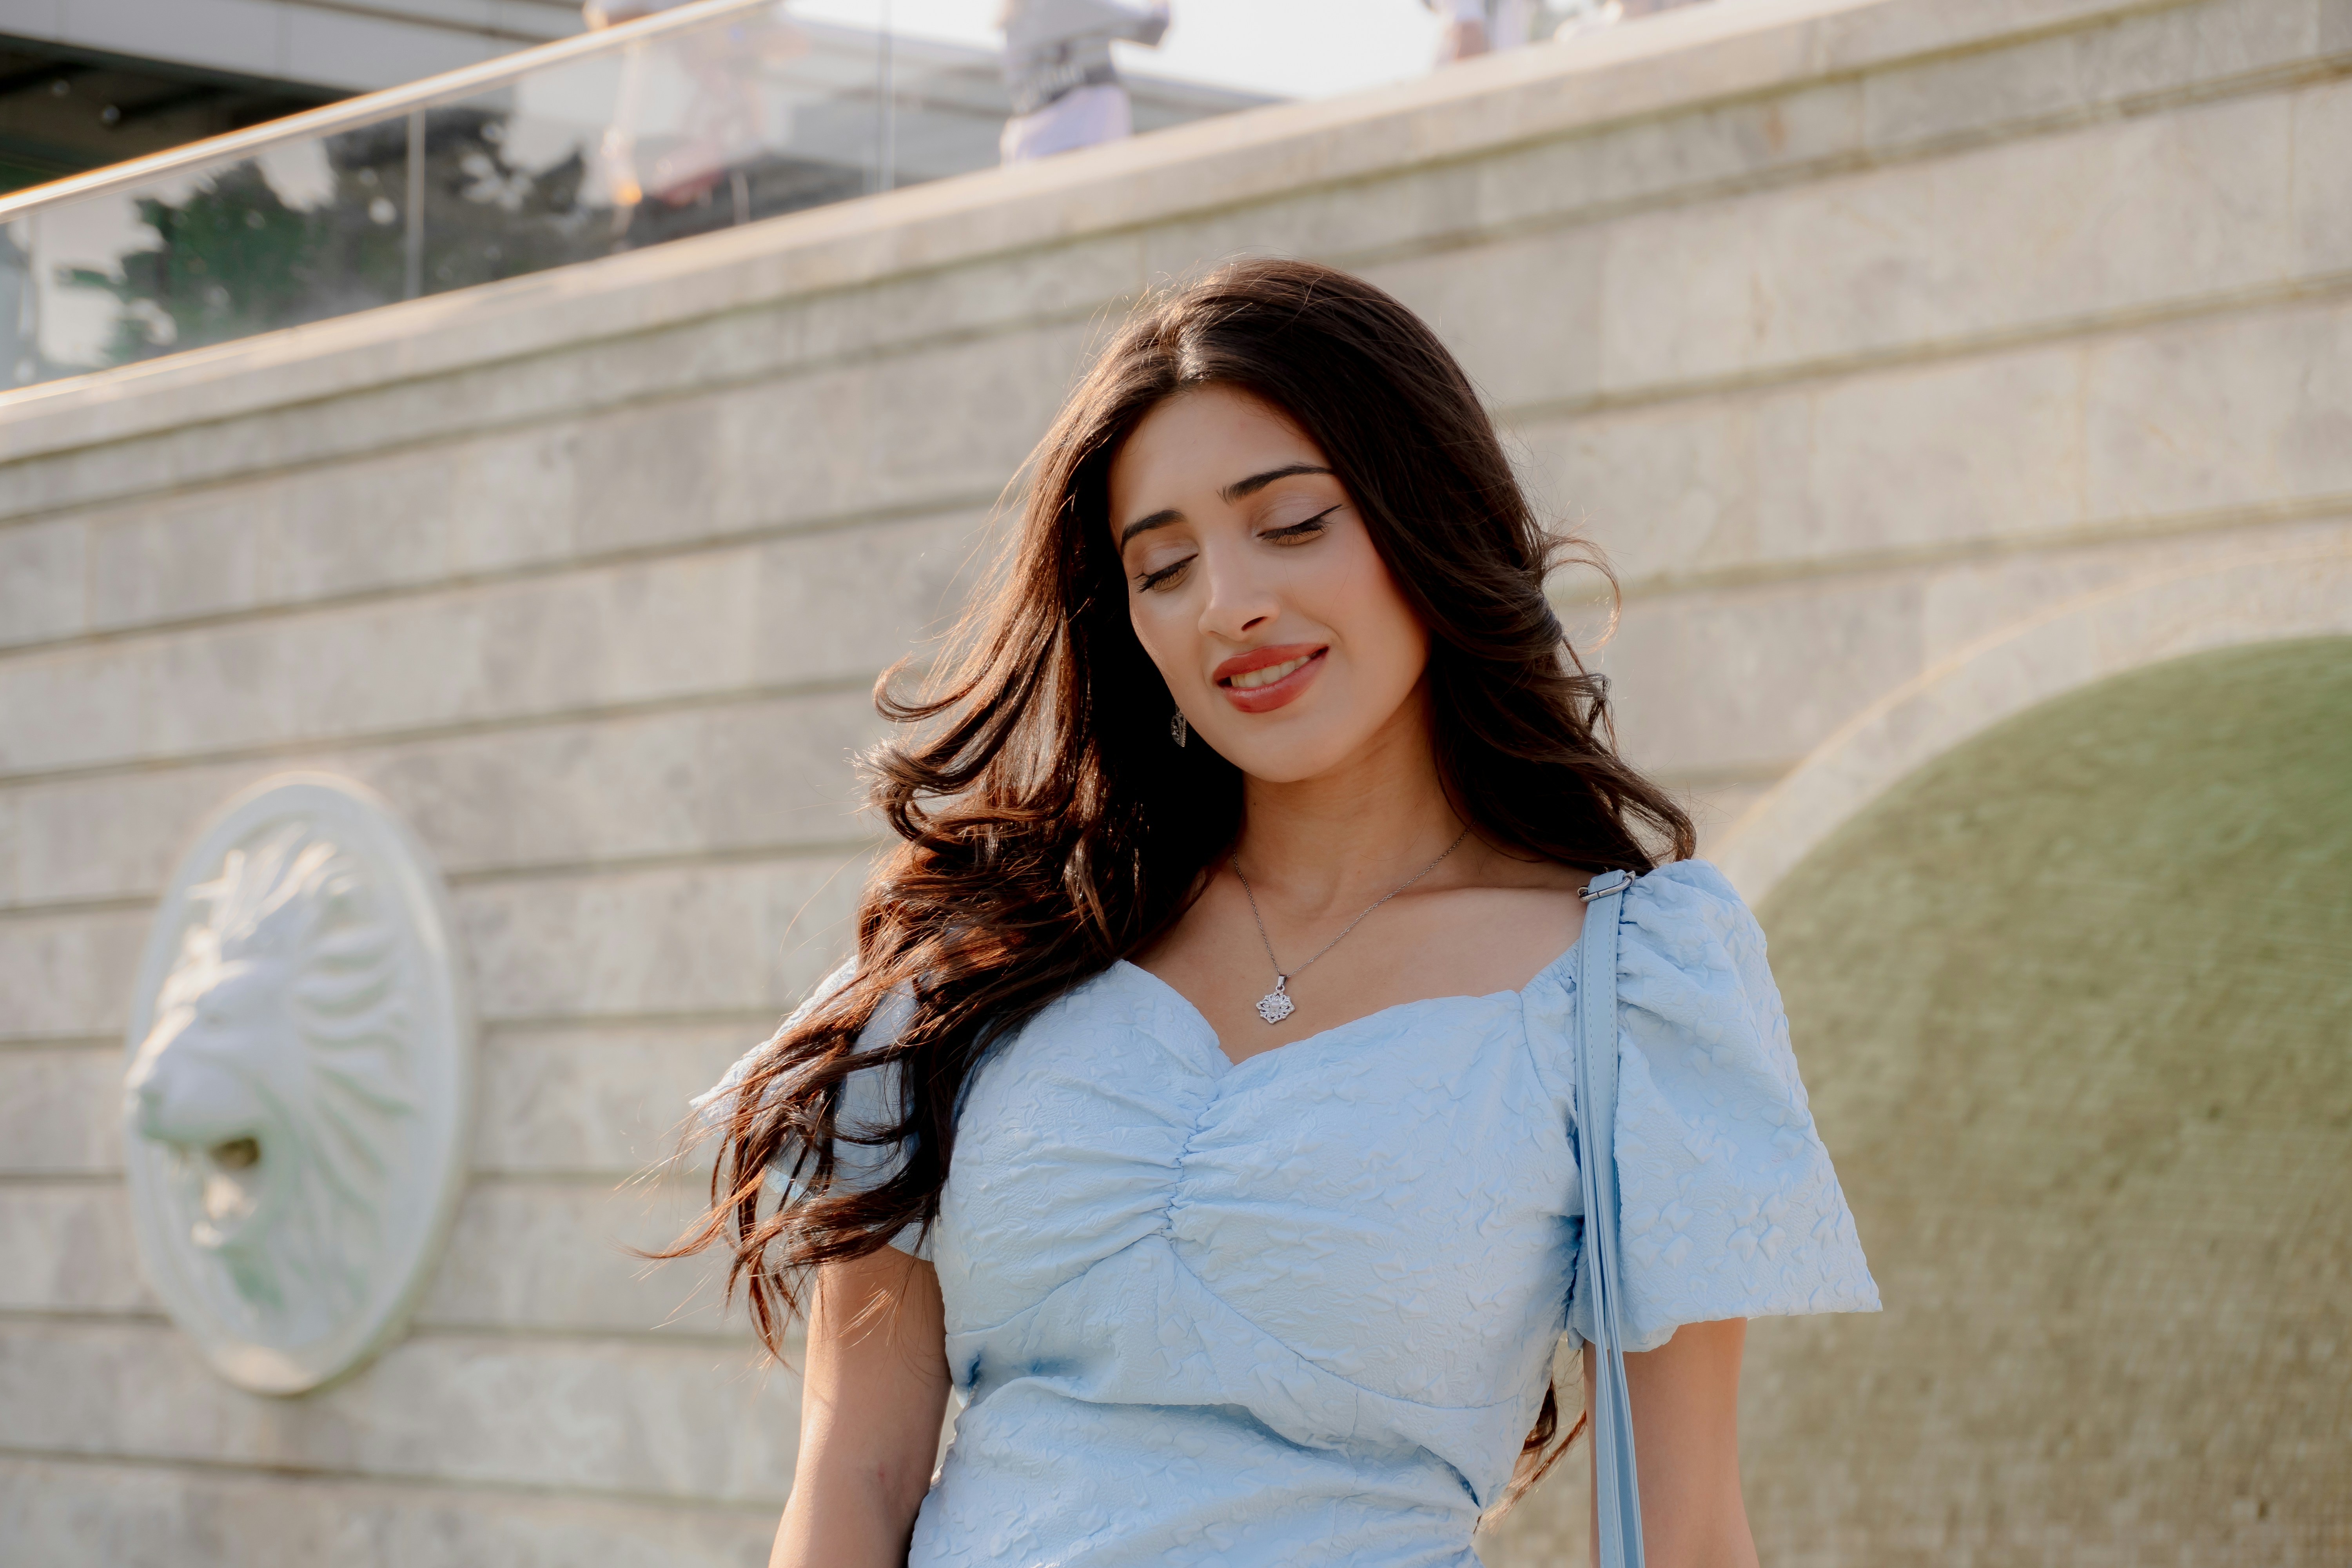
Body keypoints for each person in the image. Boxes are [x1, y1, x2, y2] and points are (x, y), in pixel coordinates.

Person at [678, 258, 1880, 1568]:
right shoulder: (987, 958)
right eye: (1163, 566)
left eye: (1292, 521)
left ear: (1429, 519)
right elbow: (854, 1473)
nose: (1229, 604)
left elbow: (1684, 1532)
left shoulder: (1632, 985)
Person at [997, 0, 1169, 163]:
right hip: (1083, 135)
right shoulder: (1071, 5)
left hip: (1029, 145)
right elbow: (1153, 30)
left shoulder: (1012, 20)